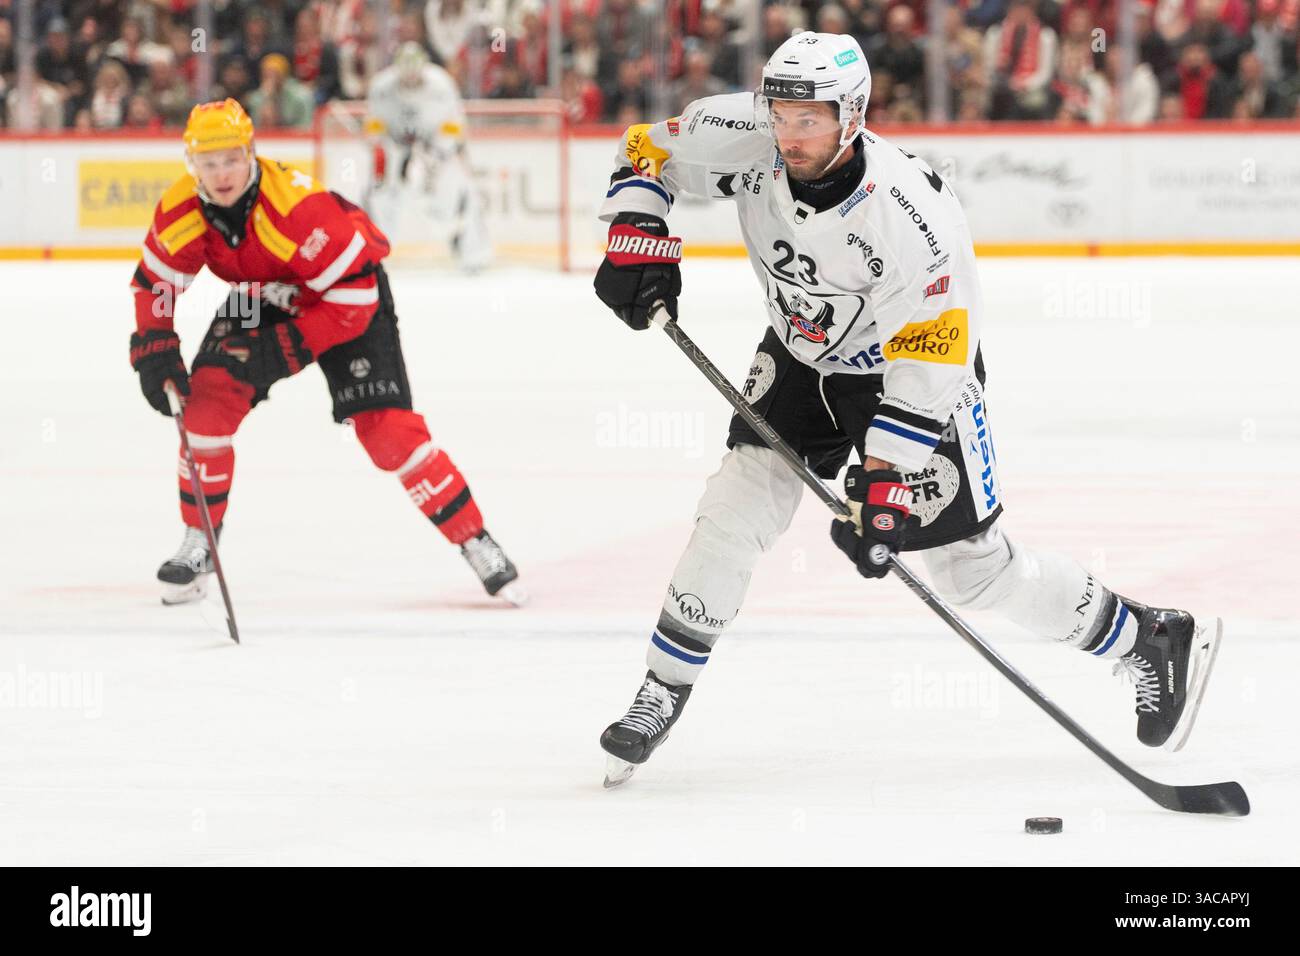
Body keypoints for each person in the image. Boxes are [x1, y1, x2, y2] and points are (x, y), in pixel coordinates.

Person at [591, 32, 1222, 787]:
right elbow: (642, 152)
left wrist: (885, 486)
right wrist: (638, 231)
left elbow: (935, 355)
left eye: (811, 120)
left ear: (852, 116)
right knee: (735, 506)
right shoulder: (741, 133)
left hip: (912, 373)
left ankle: (1144, 638)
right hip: (801, 356)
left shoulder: (908, 217)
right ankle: (662, 687)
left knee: (972, 572)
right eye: (781, 115)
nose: (790, 136)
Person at [129, 99, 523, 608]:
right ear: (192, 164)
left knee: (388, 435)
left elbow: (355, 300)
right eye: (209, 162)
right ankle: (199, 540)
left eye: (231, 158)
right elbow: (156, 284)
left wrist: (284, 349)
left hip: (345, 300)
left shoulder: (296, 209)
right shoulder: (181, 210)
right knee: (204, 407)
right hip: (258, 294)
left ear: (250, 153)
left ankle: (476, 539)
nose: (221, 173)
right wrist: (155, 346)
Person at [365, 42, 492, 272]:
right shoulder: (381, 87)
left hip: (436, 154)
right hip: (396, 152)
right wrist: (388, 150)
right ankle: (371, 256)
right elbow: (373, 128)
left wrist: (436, 153)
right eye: (406, 78)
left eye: (416, 76)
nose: (411, 81)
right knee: (379, 198)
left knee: (459, 195)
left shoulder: (441, 85)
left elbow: (455, 126)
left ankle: (473, 253)